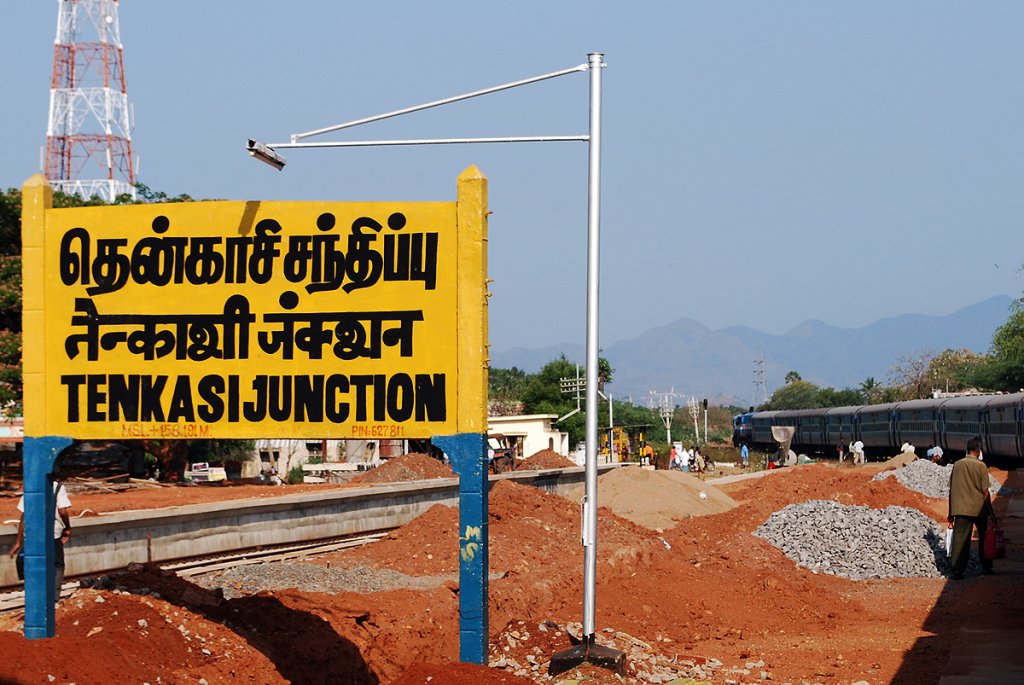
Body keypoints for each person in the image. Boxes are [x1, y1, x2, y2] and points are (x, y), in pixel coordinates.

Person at [8, 480, 72, 597]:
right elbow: (62, 512)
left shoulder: (31, 485)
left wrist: (18, 542)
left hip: (32, 535)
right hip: (52, 534)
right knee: (57, 565)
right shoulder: (57, 487)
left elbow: (24, 515)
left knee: (31, 563)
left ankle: (34, 594)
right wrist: (67, 528)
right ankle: (54, 597)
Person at [947, 436, 995, 579]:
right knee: (984, 538)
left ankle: (957, 570)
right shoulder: (981, 466)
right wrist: (991, 512)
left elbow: (952, 490)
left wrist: (951, 512)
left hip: (961, 509)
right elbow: (985, 492)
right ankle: (986, 567)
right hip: (979, 510)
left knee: (960, 540)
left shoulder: (957, 465)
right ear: (978, 451)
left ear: (967, 450)